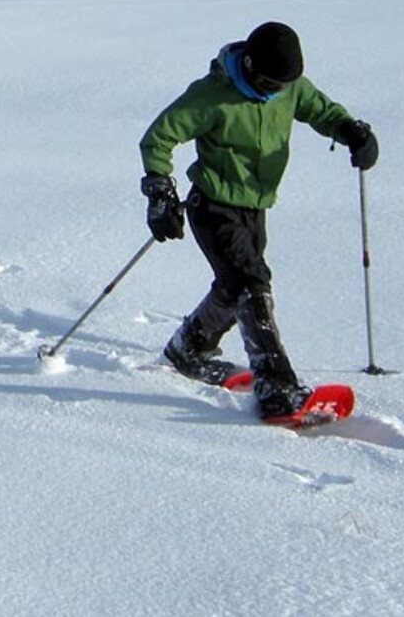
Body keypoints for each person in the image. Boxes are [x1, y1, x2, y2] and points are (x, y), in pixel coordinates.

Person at [138, 21, 378, 420]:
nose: (274, 90)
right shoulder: (212, 96)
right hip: (212, 206)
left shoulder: (289, 88)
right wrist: (160, 191)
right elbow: (158, 137)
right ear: (248, 65)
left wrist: (351, 131)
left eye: (282, 84)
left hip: (255, 206)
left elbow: (320, 110)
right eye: (267, 81)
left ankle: (190, 348)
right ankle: (275, 386)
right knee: (252, 283)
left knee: (233, 286)